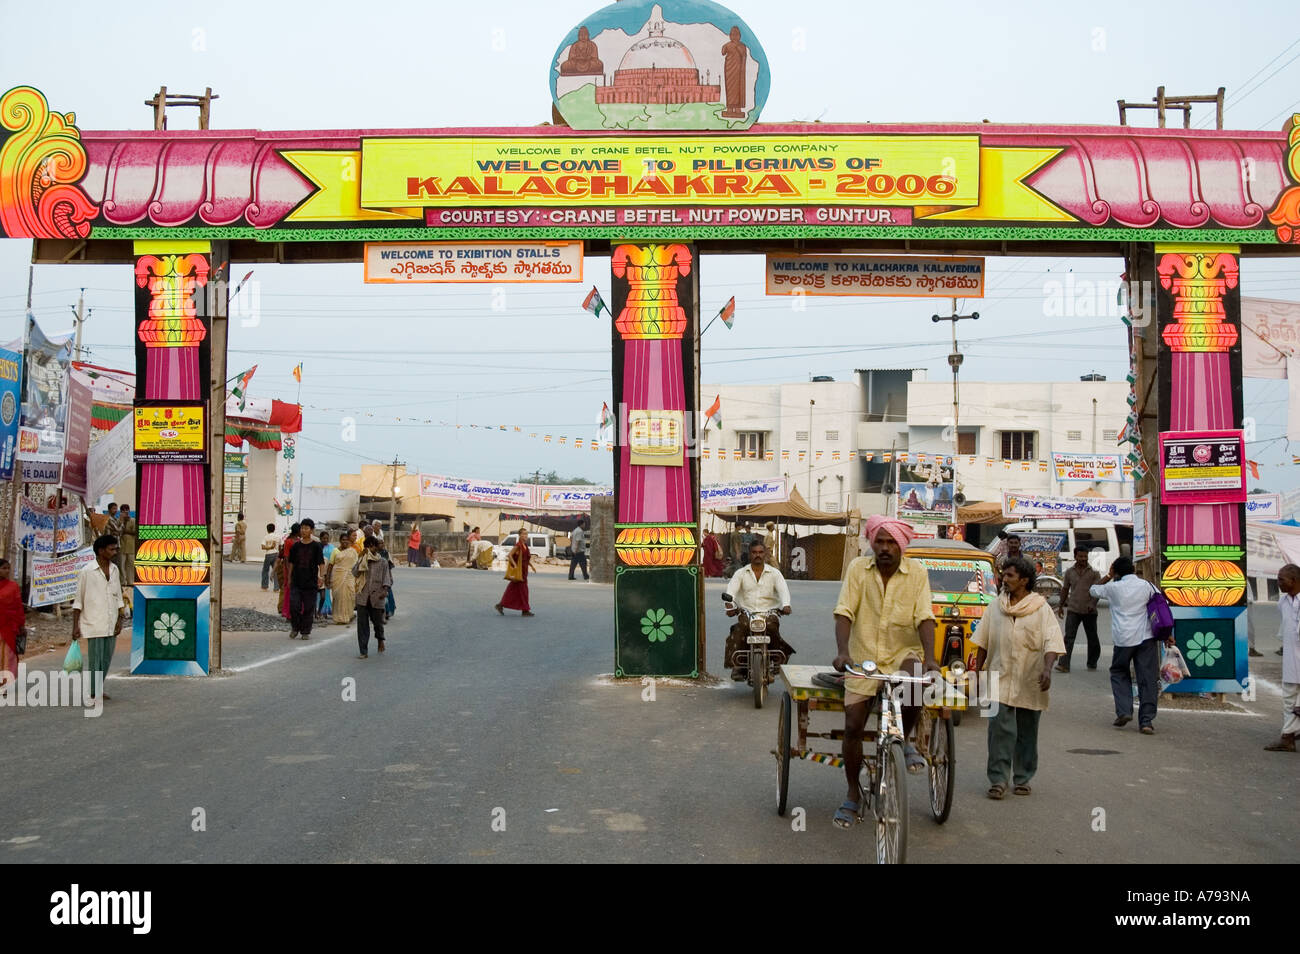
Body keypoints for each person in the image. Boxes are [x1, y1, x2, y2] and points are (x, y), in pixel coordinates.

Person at [831, 516, 937, 829]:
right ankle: (852, 793)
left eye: (892, 542)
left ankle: (903, 741)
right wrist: (843, 652)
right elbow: (844, 612)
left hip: (903, 653)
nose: (885, 548)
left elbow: (925, 617)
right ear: (872, 543)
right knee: (852, 725)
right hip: (864, 659)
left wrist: (931, 659)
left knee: (917, 675)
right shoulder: (857, 570)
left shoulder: (917, 573)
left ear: (902, 545)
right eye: (880, 541)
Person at [972, 556, 1065, 798]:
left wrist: (1047, 669)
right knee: (998, 731)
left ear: (1024, 580)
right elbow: (983, 640)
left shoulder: (1041, 608)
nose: (1004, 579)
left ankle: (1023, 777)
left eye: (1010, 575)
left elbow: (1052, 642)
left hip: (1030, 677)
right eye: (1004, 574)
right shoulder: (995, 606)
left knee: (1026, 731)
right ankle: (998, 780)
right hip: (998, 675)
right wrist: (977, 671)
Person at [1091, 556, 1172, 734]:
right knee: (1148, 679)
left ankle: (1124, 711)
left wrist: (1108, 576)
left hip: (1123, 639)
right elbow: (1162, 607)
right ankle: (1146, 721)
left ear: (1116, 571)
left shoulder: (1113, 587)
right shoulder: (1147, 586)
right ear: (1133, 570)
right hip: (1146, 637)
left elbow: (1093, 590)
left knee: (1119, 673)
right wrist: (1167, 634)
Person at [723, 540, 793, 680]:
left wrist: (786, 605)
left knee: (773, 628)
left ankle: (776, 661)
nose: (758, 555)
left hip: (769, 612)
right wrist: (730, 607)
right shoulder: (741, 573)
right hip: (746, 612)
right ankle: (738, 666)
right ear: (749, 554)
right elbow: (730, 592)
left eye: (760, 552)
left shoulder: (775, 573)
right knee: (739, 629)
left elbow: (783, 590)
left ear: (765, 554)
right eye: (754, 552)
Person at [71, 535, 124, 702]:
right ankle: (94, 691)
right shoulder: (87, 571)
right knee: (96, 660)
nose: (115, 552)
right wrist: (75, 626)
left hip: (111, 621)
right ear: (101, 551)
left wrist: (120, 619)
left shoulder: (115, 570)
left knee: (106, 659)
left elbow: (118, 597)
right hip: (93, 622)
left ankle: (98, 689)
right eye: (111, 549)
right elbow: (78, 601)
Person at [1264, 563, 1300, 751]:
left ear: (1293, 581)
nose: (1278, 583)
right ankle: (1287, 739)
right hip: (1291, 663)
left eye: (1281, 579)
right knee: (1289, 701)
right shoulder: (1283, 602)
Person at [1057, 546, 1102, 672]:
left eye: (1085, 556)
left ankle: (1092, 662)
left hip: (1090, 611)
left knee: (1092, 638)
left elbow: (1097, 591)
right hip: (1073, 609)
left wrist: (1092, 604)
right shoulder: (1069, 572)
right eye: (1080, 556)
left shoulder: (1094, 572)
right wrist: (1060, 605)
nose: (1083, 558)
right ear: (1075, 556)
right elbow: (1065, 589)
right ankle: (1064, 664)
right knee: (1068, 638)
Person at [353, 535, 393, 658]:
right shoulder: (362, 560)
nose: (370, 548)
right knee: (362, 625)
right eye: (367, 546)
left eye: (372, 546)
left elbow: (387, 578)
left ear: (376, 547)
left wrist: (385, 590)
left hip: (377, 596)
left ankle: (380, 639)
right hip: (362, 596)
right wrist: (360, 558)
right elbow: (354, 572)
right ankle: (363, 651)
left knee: (378, 622)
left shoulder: (383, 562)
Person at [287, 519, 325, 639]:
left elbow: (321, 564)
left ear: (311, 530)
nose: (303, 530)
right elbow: (291, 563)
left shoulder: (316, 546)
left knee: (309, 608)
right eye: (302, 528)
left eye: (306, 528)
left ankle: (305, 631)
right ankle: (295, 627)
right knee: (294, 606)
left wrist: (322, 577)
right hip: (296, 581)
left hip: (311, 582)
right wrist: (289, 578)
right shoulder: (295, 546)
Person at [495, 530, 535, 617]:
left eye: (526, 534)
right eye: (523, 534)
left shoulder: (525, 546)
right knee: (523, 591)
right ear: (519, 535)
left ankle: (500, 605)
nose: (525, 536)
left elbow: (526, 558)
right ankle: (525, 610)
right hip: (519, 571)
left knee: (513, 590)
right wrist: (515, 565)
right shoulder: (518, 545)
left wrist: (531, 565)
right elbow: (509, 555)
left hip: (524, 571)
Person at [0, 558, 25, 690]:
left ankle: (4, 683)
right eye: (4, 568)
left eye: (8, 568)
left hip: (10, 625)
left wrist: (21, 625)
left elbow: (18, 607)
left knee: (8, 655)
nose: (7, 571)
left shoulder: (13, 586)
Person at [328, 530, 358, 625]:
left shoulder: (352, 552)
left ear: (349, 541)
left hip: (349, 577)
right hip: (337, 576)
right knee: (338, 597)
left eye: (347, 540)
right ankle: (338, 617)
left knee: (350, 596)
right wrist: (327, 578)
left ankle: (349, 615)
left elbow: (356, 566)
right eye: (343, 540)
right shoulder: (335, 551)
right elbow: (330, 565)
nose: (345, 541)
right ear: (340, 541)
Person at [278, 522, 299, 619]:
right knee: (288, 590)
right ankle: (287, 612)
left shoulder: (299, 541)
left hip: (298, 568)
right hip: (289, 568)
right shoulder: (289, 541)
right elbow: (286, 557)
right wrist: (287, 570)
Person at [317, 531, 335, 620]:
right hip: (317, 574)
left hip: (326, 574)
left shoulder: (332, 548)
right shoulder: (317, 547)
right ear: (320, 538)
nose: (325, 540)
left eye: (327, 538)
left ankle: (325, 611)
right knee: (318, 596)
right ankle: (317, 612)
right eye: (324, 538)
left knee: (326, 594)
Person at [118, 505, 137, 584]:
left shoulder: (133, 520)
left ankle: (131, 582)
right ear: (121, 511)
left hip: (131, 546)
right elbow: (117, 531)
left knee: (131, 565)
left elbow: (135, 532)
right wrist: (122, 521)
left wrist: (125, 531)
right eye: (123, 510)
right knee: (121, 566)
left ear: (129, 511)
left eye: (127, 510)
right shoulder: (119, 521)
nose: (125, 512)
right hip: (121, 546)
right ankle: (123, 582)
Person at [260, 523, 279, 590]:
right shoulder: (277, 536)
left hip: (268, 555)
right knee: (276, 571)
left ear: (267, 530)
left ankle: (264, 586)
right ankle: (276, 588)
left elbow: (262, 547)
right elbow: (282, 545)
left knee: (265, 570)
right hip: (276, 554)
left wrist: (269, 547)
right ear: (274, 529)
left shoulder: (266, 537)